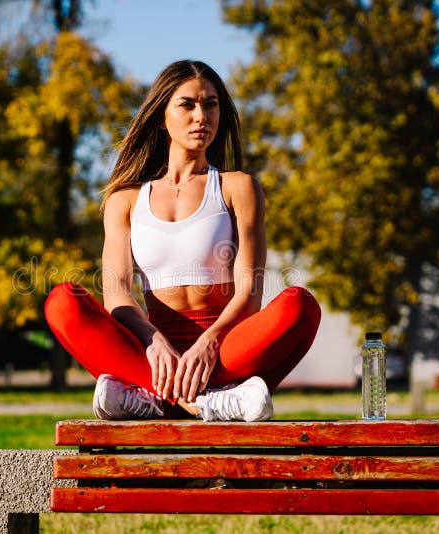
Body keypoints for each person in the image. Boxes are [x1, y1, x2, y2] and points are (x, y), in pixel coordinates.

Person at [44, 60, 321, 421]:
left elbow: (249, 292)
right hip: (151, 351)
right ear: (162, 117)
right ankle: (210, 403)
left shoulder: (238, 187)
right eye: (187, 104)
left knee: (300, 305)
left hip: (223, 351)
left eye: (211, 104)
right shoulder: (124, 200)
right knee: (62, 302)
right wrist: (153, 340)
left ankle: (154, 399)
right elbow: (117, 293)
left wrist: (210, 342)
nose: (201, 116)